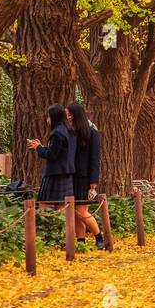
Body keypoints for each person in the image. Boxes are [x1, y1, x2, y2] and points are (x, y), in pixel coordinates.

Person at [66, 102, 104, 248]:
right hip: (72, 176)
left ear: (76, 115)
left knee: (81, 211)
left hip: (85, 177)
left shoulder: (92, 132)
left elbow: (95, 158)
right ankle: (81, 241)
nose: (68, 117)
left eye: (69, 114)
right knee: (76, 212)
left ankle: (99, 237)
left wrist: (93, 180)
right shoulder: (71, 132)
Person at [27, 104, 76, 209]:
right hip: (67, 173)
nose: (47, 120)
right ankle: (62, 225)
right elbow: (60, 152)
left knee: (44, 204)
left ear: (55, 117)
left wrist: (38, 148)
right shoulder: (70, 131)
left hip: (55, 174)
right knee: (63, 207)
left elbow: (52, 155)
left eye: (49, 117)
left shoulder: (57, 133)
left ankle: (46, 225)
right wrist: (41, 146)